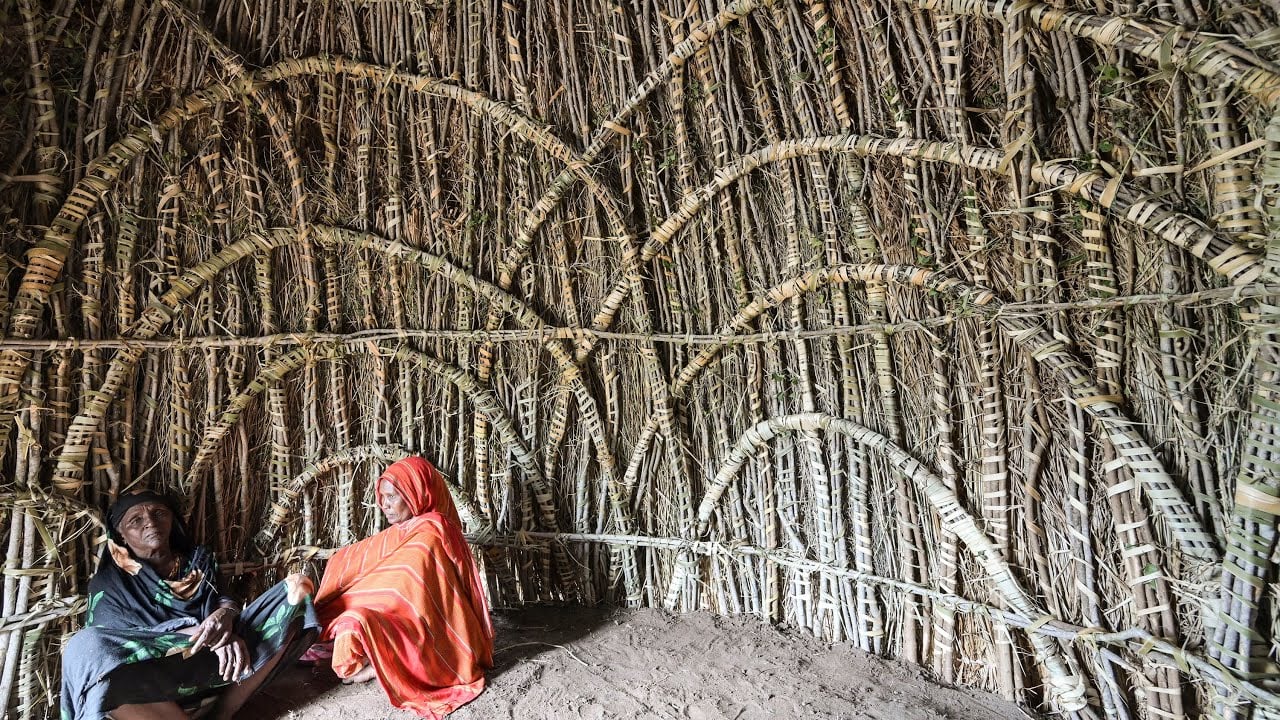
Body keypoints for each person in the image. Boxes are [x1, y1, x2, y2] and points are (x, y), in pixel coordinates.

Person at [61, 491, 319, 720]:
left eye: (159, 513)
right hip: (157, 678)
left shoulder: (199, 561)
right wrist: (207, 635)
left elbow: (226, 600)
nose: (150, 522)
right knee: (85, 647)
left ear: (172, 520)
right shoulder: (109, 583)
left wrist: (223, 618)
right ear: (121, 535)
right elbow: (118, 644)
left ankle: (224, 712)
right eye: (135, 520)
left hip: (221, 664)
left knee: (298, 587)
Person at [311, 456, 493, 719]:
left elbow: (412, 594)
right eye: (381, 496)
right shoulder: (406, 530)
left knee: (354, 622)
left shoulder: (432, 533)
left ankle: (383, 663)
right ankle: (381, 659)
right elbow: (358, 563)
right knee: (343, 622)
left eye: (392, 497)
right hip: (400, 617)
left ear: (417, 494)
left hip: (426, 630)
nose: (384, 505)